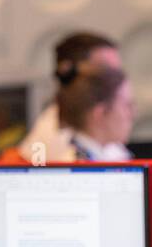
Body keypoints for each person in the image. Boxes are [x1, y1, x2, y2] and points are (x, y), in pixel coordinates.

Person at [19, 31, 132, 163]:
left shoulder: (106, 134)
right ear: (67, 72)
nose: (116, 79)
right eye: (106, 71)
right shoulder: (47, 143)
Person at [48, 63, 135, 163]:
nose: (132, 114)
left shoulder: (114, 153)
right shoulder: (71, 167)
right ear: (100, 113)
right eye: (127, 105)